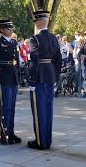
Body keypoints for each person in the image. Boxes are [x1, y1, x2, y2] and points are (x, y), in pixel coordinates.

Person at [28, 10, 62, 150]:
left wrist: (31, 81)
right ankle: (47, 140)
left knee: (39, 110)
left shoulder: (34, 39)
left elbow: (34, 61)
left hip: (39, 77)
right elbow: (58, 59)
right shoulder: (54, 38)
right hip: (50, 76)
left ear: (38, 22)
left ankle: (40, 142)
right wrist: (56, 75)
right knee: (48, 109)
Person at [0, 19, 22, 145]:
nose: (11, 30)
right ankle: (4, 134)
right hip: (2, 78)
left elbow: (16, 61)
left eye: (11, 28)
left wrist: (19, 77)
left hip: (13, 78)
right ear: (1, 30)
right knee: (4, 108)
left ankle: (11, 132)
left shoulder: (13, 42)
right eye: (8, 28)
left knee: (12, 108)